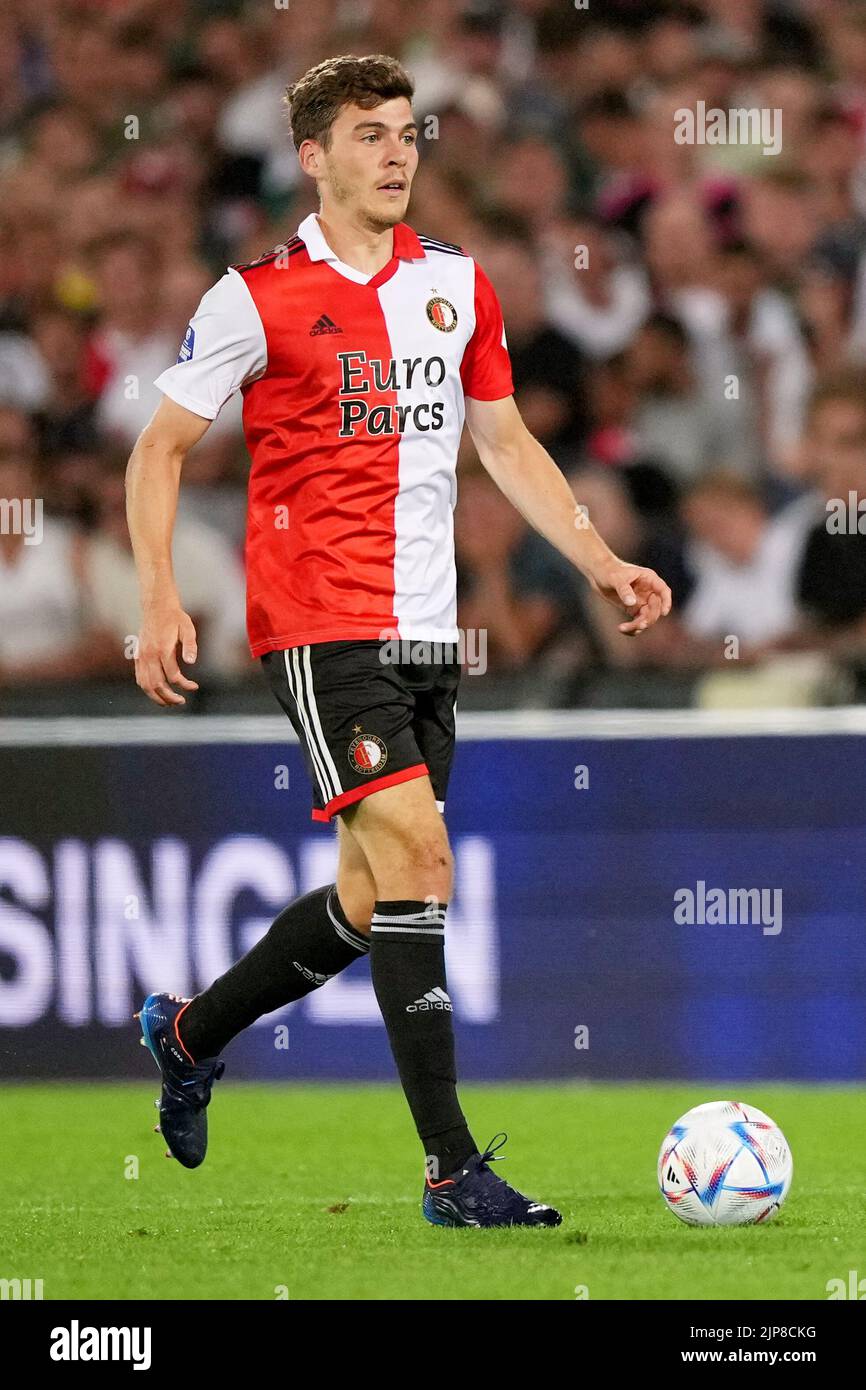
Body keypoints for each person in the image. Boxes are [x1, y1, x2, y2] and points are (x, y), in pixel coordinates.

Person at [125, 53, 671, 1230]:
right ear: (312, 157)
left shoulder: (458, 284)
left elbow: (507, 444)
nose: (395, 154)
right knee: (422, 860)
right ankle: (450, 1171)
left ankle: (186, 1034)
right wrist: (161, 596)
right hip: (319, 626)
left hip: (431, 630)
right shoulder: (254, 295)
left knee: (376, 901)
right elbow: (159, 449)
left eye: (407, 133)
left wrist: (600, 560)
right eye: (367, 135)